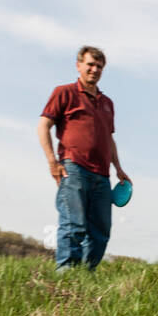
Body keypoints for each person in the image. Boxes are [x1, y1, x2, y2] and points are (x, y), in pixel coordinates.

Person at [36, 46, 131, 271]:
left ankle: (85, 276)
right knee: (74, 225)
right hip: (73, 167)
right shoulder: (64, 92)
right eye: (90, 64)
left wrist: (118, 168)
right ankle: (66, 276)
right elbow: (43, 126)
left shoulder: (107, 103)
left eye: (99, 66)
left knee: (101, 230)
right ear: (78, 65)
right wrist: (52, 161)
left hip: (102, 174)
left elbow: (109, 138)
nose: (94, 69)